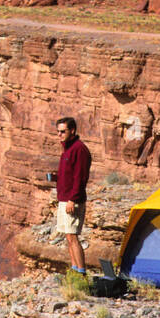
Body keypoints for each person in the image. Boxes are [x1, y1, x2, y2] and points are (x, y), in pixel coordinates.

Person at [53, 116, 91, 275]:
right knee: (68, 237)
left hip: (71, 200)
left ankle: (81, 273)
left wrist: (72, 199)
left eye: (63, 131)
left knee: (73, 237)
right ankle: (74, 271)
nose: (59, 135)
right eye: (58, 132)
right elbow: (70, 174)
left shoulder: (79, 149)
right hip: (64, 199)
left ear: (72, 131)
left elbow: (80, 177)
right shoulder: (67, 148)